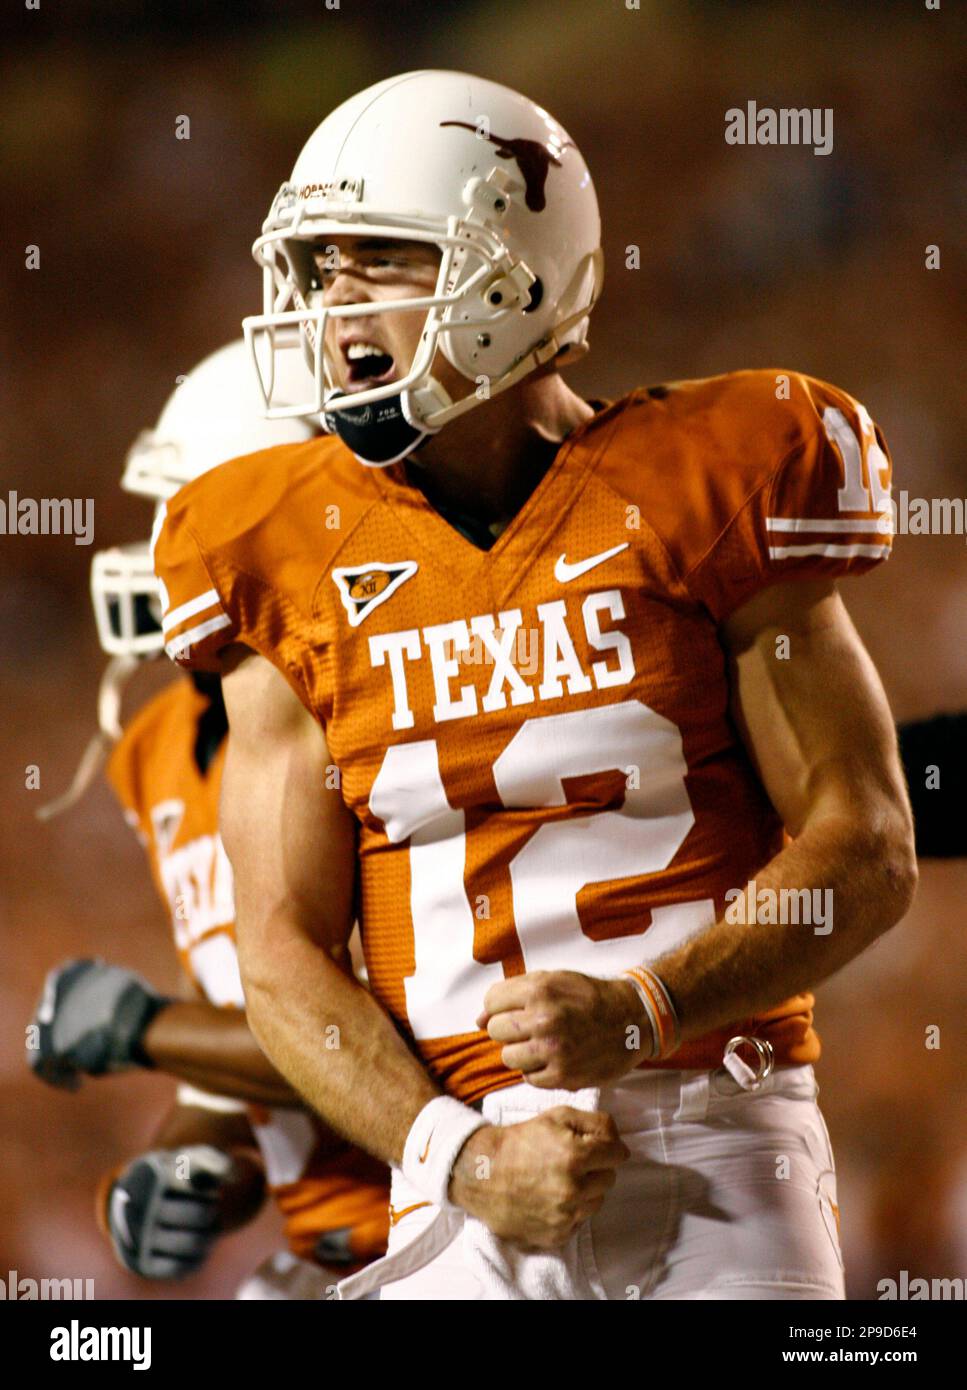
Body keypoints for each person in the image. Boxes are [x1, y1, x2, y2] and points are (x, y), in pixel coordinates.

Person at [155, 72, 917, 1300]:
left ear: (512, 271)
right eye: (319, 262)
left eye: (380, 258)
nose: (331, 298)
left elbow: (868, 844)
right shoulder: (272, 542)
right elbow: (281, 950)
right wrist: (454, 1153)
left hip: (717, 1129)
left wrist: (649, 1007)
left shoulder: (711, 476)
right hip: (458, 1163)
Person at [29, 341, 389, 1298]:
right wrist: (191, 1172)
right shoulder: (158, 745)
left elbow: (389, 1038)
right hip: (331, 1255)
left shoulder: (370, 709)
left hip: (461, 1231)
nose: (160, 544)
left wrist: (145, 1029)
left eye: (190, 508)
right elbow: (241, 1077)